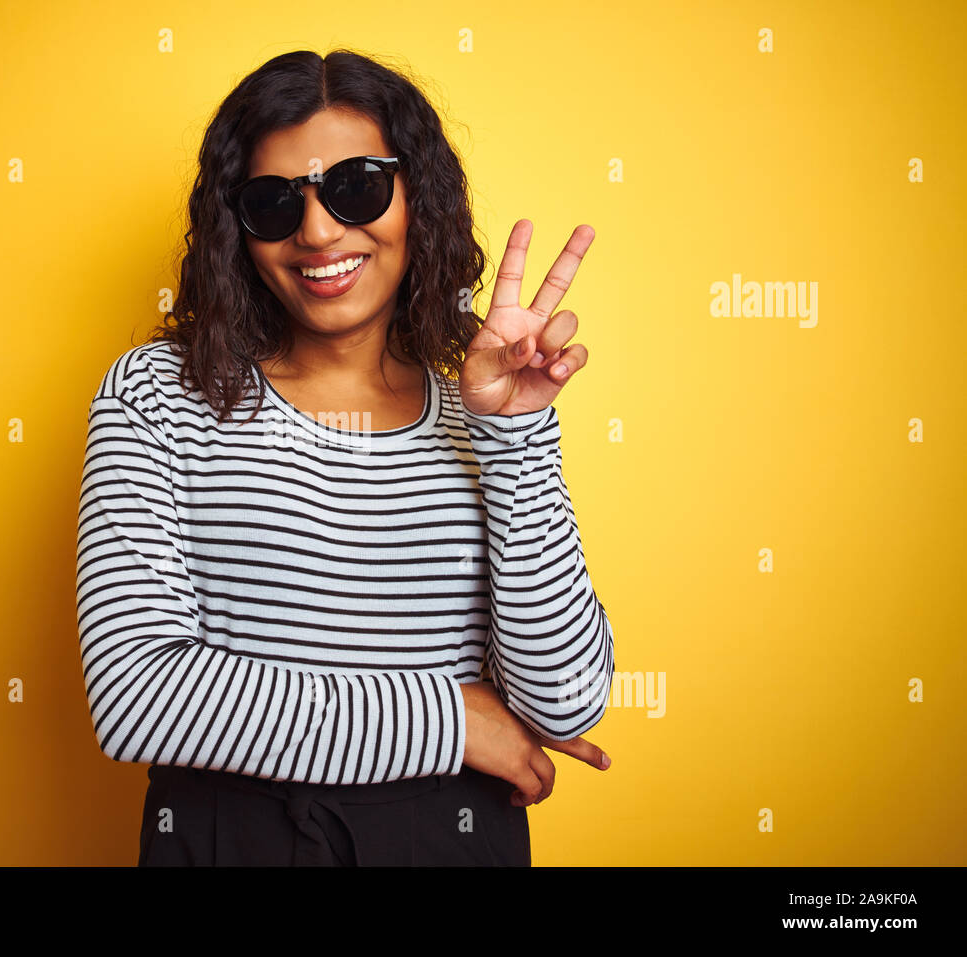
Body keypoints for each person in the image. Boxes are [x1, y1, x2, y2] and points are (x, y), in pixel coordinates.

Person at [75, 49, 615, 866]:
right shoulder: (159, 395)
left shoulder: (483, 418)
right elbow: (138, 697)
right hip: (235, 839)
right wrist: (455, 721)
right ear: (237, 230)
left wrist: (516, 434)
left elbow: (565, 700)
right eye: (272, 203)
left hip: (452, 839)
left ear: (416, 198)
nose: (319, 230)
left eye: (356, 185)